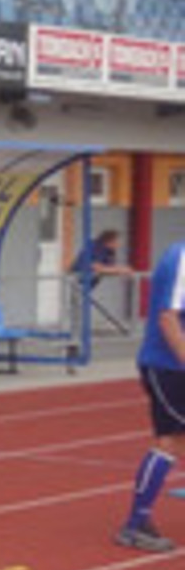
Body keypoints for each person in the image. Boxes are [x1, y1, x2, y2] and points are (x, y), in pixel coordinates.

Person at [117, 235, 185, 552]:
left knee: (174, 441)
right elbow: (167, 317)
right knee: (169, 441)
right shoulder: (181, 257)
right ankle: (135, 524)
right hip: (168, 365)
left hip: (173, 365)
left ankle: (136, 522)